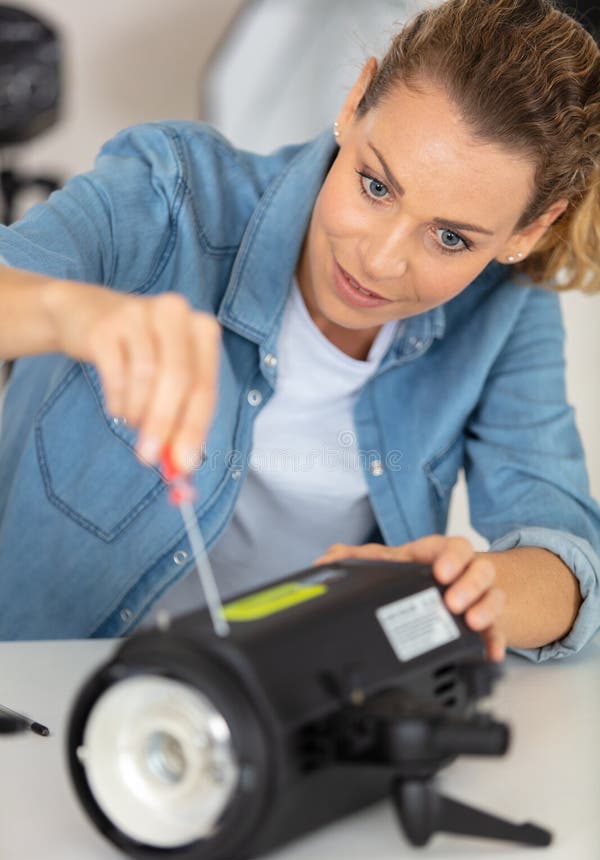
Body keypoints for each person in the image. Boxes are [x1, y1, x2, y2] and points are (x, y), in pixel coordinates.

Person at [0, 0, 599, 663]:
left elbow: (567, 561)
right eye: (376, 186)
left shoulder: (506, 312)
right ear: (355, 101)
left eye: (450, 238)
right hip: (49, 690)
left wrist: (467, 591)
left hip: (288, 697)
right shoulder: (172, 192)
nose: (379, 260)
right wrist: (73, 313)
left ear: (529, 231)